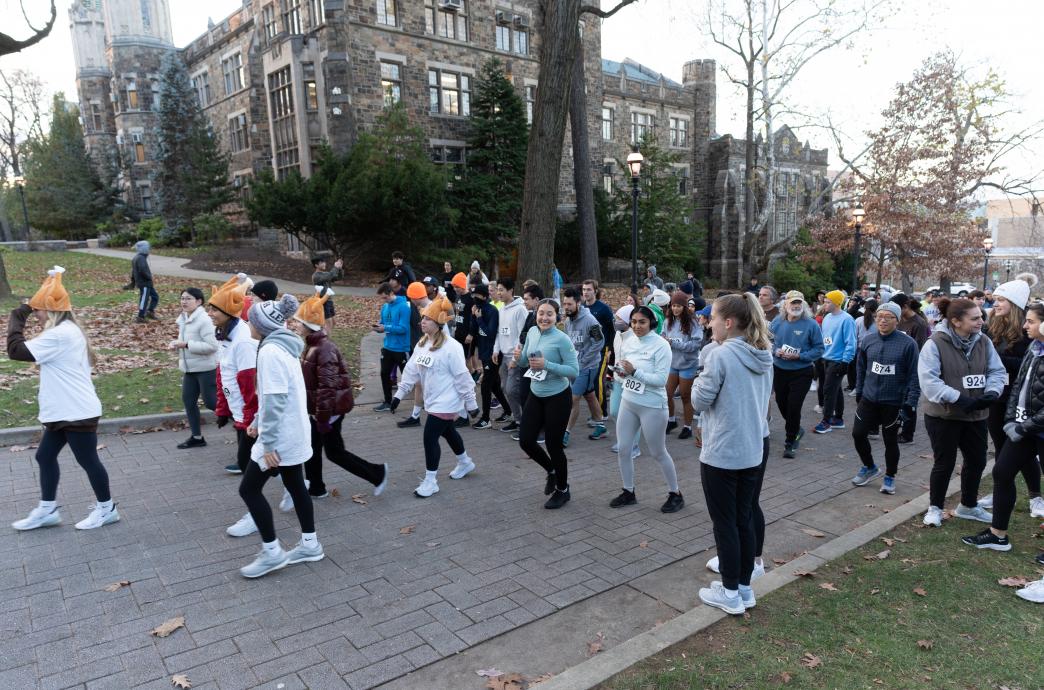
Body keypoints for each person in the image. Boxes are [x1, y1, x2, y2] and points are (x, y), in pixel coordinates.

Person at [7, 266, 118, 531]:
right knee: (45, 457)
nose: (36, 315)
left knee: (88, 460)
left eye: (39, 310)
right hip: (64, 410)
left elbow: (15, 350)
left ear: (52, 310)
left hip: (75, 411)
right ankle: (47, 510)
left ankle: (107, 509)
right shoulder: (66, 330)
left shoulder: (60, 334)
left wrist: (18, 314)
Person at [691, 293, 773, 615]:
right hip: (752, 446)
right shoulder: (763, 353)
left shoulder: (719, 356)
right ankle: (742, 588)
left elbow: (699, 401)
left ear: (727, 323)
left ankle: (729, 592)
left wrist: (703, 370)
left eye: (711, 318)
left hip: (724, 450)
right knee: (742, 518)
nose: (708, 323)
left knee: (725, 522)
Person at [235, 295, 322, 578]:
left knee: (248, 489)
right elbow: (278, 395)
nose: (246, 321)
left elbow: (275, 399)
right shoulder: (284, 347)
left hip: (280, 439)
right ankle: (310, 544)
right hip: (293, 433)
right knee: (296, 485)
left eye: (250, 318)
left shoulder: (270, 352)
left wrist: (268, 441)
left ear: (261, 325)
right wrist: (259, 421)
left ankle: (272, 552)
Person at [290, 288, 388, 505]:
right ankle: (316, 487)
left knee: (334, 452)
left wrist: (322, 418)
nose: (294, 324)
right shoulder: (312, 345)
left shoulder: (323, 349)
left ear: (310, 324)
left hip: (328, 413)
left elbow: (327, 388)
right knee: (312, 449)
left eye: (298, 321)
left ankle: (377, 473)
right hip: (319, 412)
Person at [962, 301, 1044, 559]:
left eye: (1030, 321)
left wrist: (1025, 426)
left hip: (1036, 429)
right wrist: (1011, 420)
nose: (1025, 325)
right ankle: (998, 535)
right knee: (1002, 471)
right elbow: (1019, 385)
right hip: (1024, 427)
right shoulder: (1034, 347)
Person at [918, 297, 1007, 527]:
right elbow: (929, 382)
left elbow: (997, 371)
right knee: (944, 462)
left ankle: (968, 506)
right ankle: (935, 508)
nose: (981, 321)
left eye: (981, 316)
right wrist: (959, 399)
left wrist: (993, 392)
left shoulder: (984, 342)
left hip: (976, 415)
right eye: (975, 318)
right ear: (956, 321)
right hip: (944, 415)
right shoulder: (934, 343)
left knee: (977, 461)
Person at [391, 297, 481, 497]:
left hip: (448, 401)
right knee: (448, 431)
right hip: (433, 399)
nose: (422, 321)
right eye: (422, 318)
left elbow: (462, 376)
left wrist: (471, 403)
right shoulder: (422, 343)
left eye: (427, 319)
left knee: (430, 436)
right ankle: (465, 462)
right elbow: (411, 370)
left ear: (439, 323)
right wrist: (399, 394)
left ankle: (431, 481)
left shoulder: (452, 347)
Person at [611, 306, 684, 513]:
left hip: (652, 405)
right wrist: (621, 374)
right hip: (629, 401)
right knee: (624, 449)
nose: (636, 326)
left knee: (658, 452)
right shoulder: (628, 341)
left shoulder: (661, 345)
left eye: (642, 322)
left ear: (651, 323)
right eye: (633, 321)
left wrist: (634, 372)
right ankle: (628, 491)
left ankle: (675, 493)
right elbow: (621, 371)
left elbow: (661, 380)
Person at [978, 275, 1041, 514]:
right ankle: (1000, 490)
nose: (995, 304)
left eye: (1000, 300)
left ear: (1013, 303)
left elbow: (1026, 364)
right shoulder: (992, 324)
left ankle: (1036, 496)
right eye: (994, 300)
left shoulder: (1028, 330)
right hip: (996, 395)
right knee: (1001, 445)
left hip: (1020, 397)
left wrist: (995, 360)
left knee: (1021, 450)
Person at [515, 298, 580, 509]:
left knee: (554, 445)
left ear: (557, 317)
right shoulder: (532, 333)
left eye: (549, 314)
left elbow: (573, 372)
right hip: (536, 392)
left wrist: (548, 365)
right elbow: (526, 361)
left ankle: (563, 490)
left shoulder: (562, 340)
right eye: (541, 313)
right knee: (525, 440)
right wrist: (519, 357)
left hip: (558, 396)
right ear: (536, 315)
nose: (544, 317)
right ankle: (551, 471)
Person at [850, 302, 920, 494]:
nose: (882, 321)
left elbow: (914, 375)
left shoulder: (908, 344)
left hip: (893, 401)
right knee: (858, 434)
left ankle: (890, 476)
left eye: (888, 317)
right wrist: (859, 390)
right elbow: (861, 367)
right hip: (869, 398)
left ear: (897, 320)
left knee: (890, 440)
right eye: (879, 316)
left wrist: (910, 403)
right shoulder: (868, 340)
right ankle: (870, 467)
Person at [209, 274, 258, 480]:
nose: (209, 313)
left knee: (257, 465)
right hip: (238, 409)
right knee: (251, 461)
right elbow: (223, 372)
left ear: (228, 312)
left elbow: (249, 382)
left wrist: (247, 419)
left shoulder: (243, 340)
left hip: (248, 413)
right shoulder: (223, 332)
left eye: (214, 310)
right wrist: (223, 409)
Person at [769, 291, 824, 458]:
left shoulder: (811, 324)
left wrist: (799, 356)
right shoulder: (777, 322)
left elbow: (819, 349)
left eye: (799, 303)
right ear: (785, 305)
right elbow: (767, 341)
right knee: (781, 402)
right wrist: (775, 351)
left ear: (804, 305)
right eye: (793, 303)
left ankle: (790, 441)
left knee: (794, 406)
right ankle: (796, 428)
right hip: (780, 370)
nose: (796, 306)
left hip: (802, 372)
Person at [171, 287, 219, 449]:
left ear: (199, 301)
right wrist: (177, 345)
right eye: (182, 298)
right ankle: (197, 437)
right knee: (188, 401)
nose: (184, 301)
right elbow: (186, 341)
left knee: (212, 403)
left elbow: (212, 346)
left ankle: (243, 425)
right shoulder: (184, 318)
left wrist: (186, 345)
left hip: (206, 369)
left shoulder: (204, 320)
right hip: (190, 369)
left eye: (188, 298)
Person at [562, 287, 606, 445]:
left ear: (578, 303)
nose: (566, 307)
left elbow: (599, 342)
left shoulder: (590, 321)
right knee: (589, 395)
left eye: (569, 304)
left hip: (587, 366)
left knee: (573, 398)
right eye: (564, 304)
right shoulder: (567, 321)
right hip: (574, 365)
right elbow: (568, 343)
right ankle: (600, 425)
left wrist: (582, 361)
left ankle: (565, 432)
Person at [813, 290, 856, 433]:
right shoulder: (827, 318)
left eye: (827, 302)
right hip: (826, 359)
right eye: (824, 302)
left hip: (838, 361)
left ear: (837, 303)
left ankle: (827, 421)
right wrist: (821, 355)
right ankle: (838, 419)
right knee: (835, 389)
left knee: (828, 390)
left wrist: (845, 362)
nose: (824, 304)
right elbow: (825, 339)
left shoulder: (847, 319)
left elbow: (851, 342)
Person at [663, 290, 702, 440]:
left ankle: (687, 427)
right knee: (667, 394)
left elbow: (695, 345)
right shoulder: (668, 322)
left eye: (679, 306)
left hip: (688, 364)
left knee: (686, 396)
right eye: (673, 306)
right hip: (672, 363)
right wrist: (663, 340)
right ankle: (671, 420)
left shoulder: (693, 322)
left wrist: (674, 344)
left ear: (684, 307)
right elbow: (663, 336)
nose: (675, 309)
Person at [891, 293, 930, 443]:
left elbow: (919, 348)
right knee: (897, 399)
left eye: (897, 309)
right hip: (896, 366)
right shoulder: (899, 320)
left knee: (909, 400)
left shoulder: (919, 323)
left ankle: (908, 434)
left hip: (911, 367)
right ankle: (896, 425)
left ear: (905, 307)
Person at [471, 284, 511, 428]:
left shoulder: (492, 311)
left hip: (493, 353)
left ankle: (486, 418)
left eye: (478, 296)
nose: (475, 299)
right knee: (495, 386)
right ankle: (508, 411)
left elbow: (490, 333)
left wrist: (480, 319)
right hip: (483, 352)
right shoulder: (478, 310)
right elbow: (475, 332)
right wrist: (474, 316)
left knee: (485, 386)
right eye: (473, 296)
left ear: (485, 296)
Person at [609, 305, 642, 458]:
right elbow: (616, 356)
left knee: (632, 414)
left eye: (619, 319)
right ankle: (624, 440)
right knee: (615, 410)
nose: (616, 321)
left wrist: (630, 372)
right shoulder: (617, 335)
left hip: (632, 381)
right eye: (616, 318)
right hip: (617, 379)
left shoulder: (636, 337)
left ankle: (633, 445)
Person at [496, 278, 528, 434]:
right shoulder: (501, 309)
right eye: (498, 289)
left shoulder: (520, 309)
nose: (499, 293)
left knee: (512, 389)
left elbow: (522, 336)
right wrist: (496, 350)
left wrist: (515, 359)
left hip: (515, 358)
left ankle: (525, 421)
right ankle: (517, 420)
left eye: (502, 289)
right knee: (505, 388)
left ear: (511, 291)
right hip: (504, 356)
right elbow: (499, 332)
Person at [373, 282, 411, 412]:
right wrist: (379, 327)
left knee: (411, 377)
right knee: (384, 374)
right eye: (381, 298)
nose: (383, 300)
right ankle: (388, 401)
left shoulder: (404, 307)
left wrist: (386, 327)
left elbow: (404, 329)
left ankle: (425, 400)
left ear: (391, 293)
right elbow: (383, 322)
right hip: (388, 346)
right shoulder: (385, 306)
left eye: (385, 297)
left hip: (401, 348)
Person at [581, 279, 615, 417]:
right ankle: (595, 411)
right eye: (584, 289)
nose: (586, 292)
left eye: (589, 289)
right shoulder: (582, 308)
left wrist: (610, 349)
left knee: (597, 381)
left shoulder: (603, 309)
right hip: (587, 350)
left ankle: (601, 413)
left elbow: (612, 330)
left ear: (595, 291)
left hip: (602, 350)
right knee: (588, 381)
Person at [311, 255, 343, 332]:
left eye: (324, 262)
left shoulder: (325, 274)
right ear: (316, 265)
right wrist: (335, 267)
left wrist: (339, 269)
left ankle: (322, 337)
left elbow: (338, 277)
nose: (324, 264)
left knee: (333, 322)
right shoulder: (316, 276)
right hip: (323, 302)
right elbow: (330, 275)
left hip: (329, 301)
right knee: (329, 324)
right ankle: (324, 341)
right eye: (322, 262)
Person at [130, 240, 159, 323]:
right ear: (144, 249)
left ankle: (150, 311)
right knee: (144, 299)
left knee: (155, 297)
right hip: (144, 283)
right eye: (148, 248)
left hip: (146, 283)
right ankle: (140, 317)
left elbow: (133, 271)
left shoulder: (139, 257)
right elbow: (142, 270)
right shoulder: (140, 258)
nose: (149, 250)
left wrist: (133, 280)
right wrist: (149, 277)